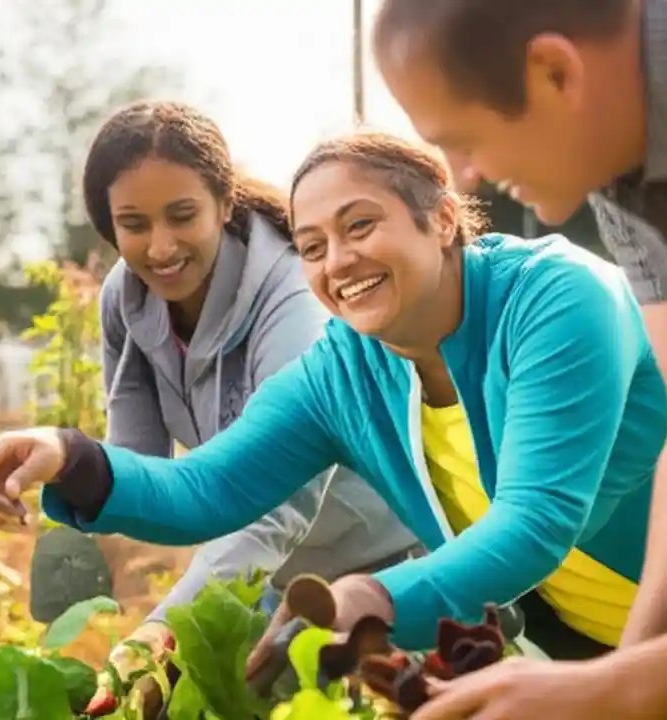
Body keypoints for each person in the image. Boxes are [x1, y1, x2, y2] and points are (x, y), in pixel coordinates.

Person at [0, 132, 667, 684]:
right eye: (315, 245)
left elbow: (537, 521)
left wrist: (370, 593)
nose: (337, 262)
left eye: (361, 226)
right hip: (624, 644)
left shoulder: (553, 298)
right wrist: (67, 454)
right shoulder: (346, 369)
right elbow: (205, 491)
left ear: (441, 219)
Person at [369, 0, 667, 716]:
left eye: (463, 141)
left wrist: (617, 689)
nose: (461, 178)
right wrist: (623, 693)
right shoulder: (620, 147)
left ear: (553, 71)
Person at [71, 100, 422, 690]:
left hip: (386, 566)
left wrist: (162, 630)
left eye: (182, 216)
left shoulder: (293, 302)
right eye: (134, 224)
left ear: (224, 202)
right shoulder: (126, 300)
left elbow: (273, 503)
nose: (160, 247)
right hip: (269, 570)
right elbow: (142, 473)